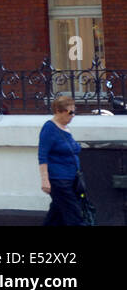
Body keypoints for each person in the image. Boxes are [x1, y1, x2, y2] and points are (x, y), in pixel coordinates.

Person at [39, 94, 87, 226]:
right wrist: (45, 180)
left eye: (74, 112)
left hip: (71, 178)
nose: (73, 115)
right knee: (74, 214)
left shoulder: (65, 129)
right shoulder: (49, 128)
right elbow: (42, 155)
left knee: (56, 216)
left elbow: (72, 149)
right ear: (59, 111)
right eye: (70, 112)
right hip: (59, 180)